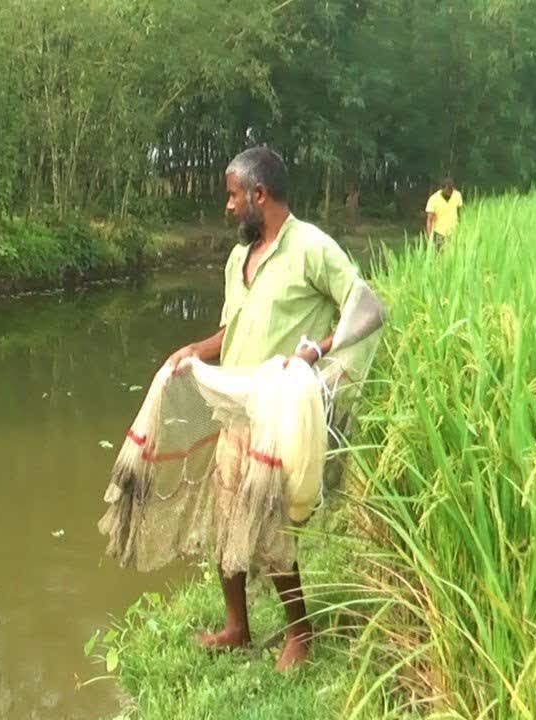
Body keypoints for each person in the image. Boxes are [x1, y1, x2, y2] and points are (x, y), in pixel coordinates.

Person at [163, 146, 385, 670]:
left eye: (233, 196)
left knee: (269, 525)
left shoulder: (311, 247)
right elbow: (233, 329)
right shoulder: (239, 258)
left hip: (280, 415)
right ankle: (237, 627)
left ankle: (300, 635)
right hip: (235, 410)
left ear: (259, 195)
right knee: (226, 521)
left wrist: (318, 350)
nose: (228, 206)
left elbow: (367, 306)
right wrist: (197, 349)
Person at [424, 176, 463, 249]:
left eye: (451, 191)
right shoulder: (433, 199)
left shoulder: (457, 195)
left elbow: (459, 212)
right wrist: (429, 237)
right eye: (448, 191)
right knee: (439, 256)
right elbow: (429, 219)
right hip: (439, 234)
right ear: (442, 189)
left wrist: (460, 227)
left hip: (454, 233)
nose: (450, 193)